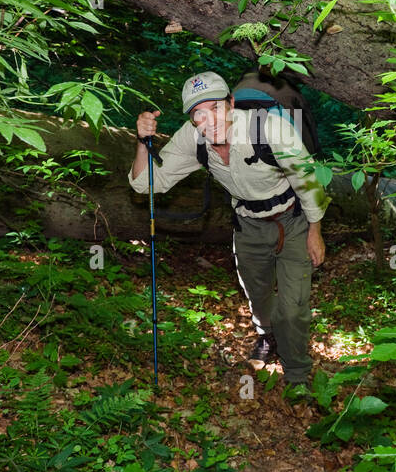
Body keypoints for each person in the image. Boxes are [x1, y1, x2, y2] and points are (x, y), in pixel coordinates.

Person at [129, 71, 328, 394]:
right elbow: (146, 184)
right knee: (258, 294)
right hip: (247, 224)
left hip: (292, 220)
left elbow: (307, 181)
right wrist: (142, 142)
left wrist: (314, 231)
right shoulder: (191, 139)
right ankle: (267, 335)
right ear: (192, 120)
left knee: (292, 307)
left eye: (216, 108)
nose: (210, 120)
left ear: (231, 104)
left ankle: (296, 374)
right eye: (198, 114)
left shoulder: (270, 128)